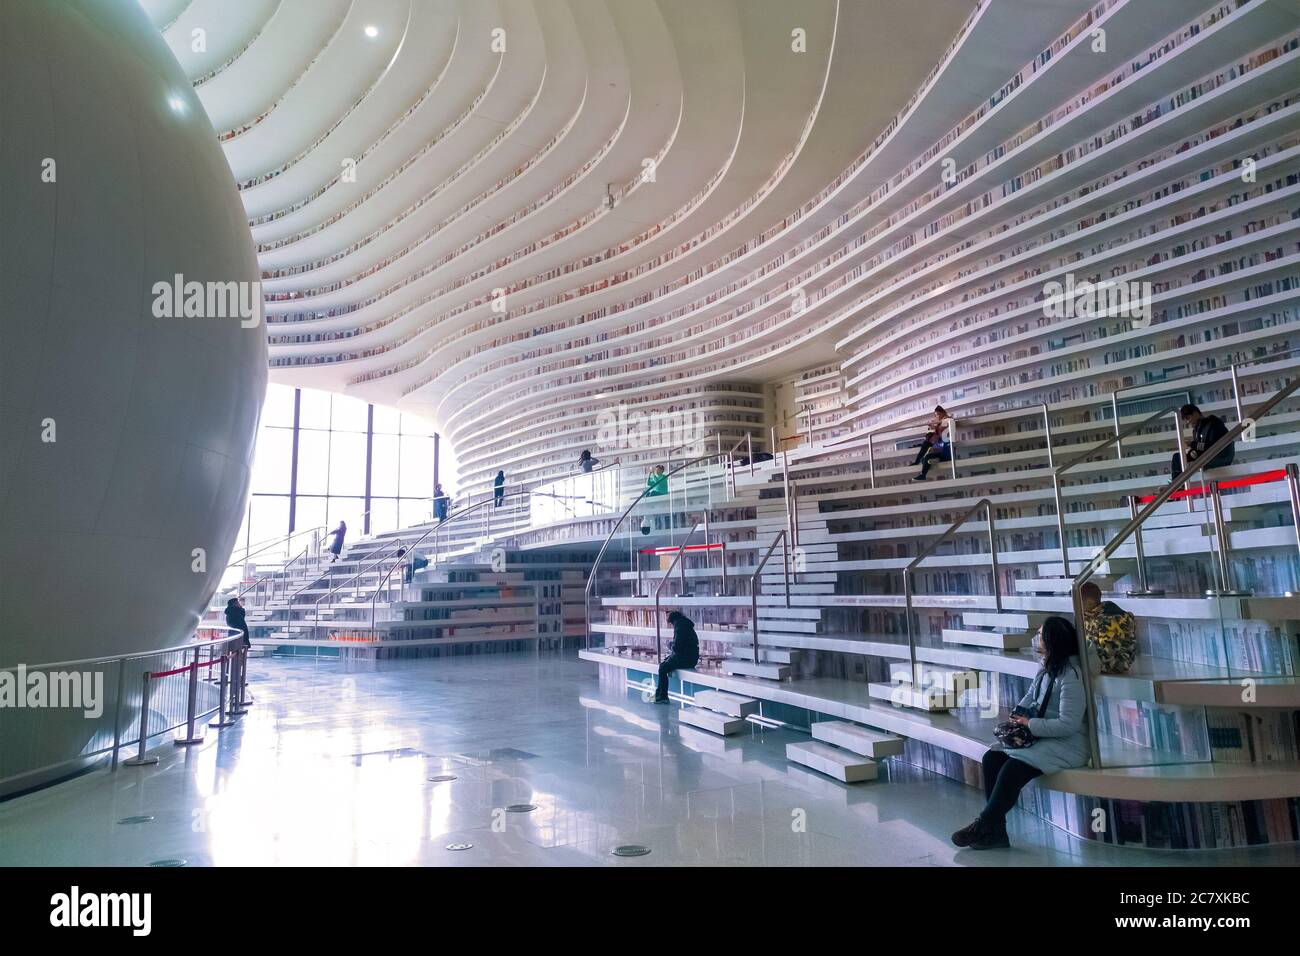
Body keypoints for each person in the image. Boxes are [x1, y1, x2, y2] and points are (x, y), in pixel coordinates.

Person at [951, 616, 1088, 850]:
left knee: (1013, 769)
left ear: (1053, 641)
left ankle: (984, 824)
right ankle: (996, 833)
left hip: (1067, 744)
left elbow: (1069, 724)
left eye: (1042, 635)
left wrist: (1030, 723)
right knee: (992, 758)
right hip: (1043, 737)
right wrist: (1018, 715)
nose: (1038, 639)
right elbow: (1030, 697)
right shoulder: (1046, 667)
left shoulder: (1071, 676)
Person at [1080, 582, 1138, 674]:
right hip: (1099, 667)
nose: (1073, 604)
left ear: (1088, 602)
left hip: (1114, 668)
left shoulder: (1110, 620)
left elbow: (1109, 657)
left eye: (1077, 601)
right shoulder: (1090, 615)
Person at [1171, 403, 1233, 483]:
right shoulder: (1196, 431)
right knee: (1177, 458)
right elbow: (1198, 449)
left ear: (1195, 413)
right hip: (1206, 456)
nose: (1187, 422)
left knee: (1183, 460)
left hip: (1220, 455)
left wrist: (1191, 444)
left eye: (1188, 418)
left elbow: (1213, 446)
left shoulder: (1212, 422)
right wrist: (1188, 454)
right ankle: (1176, 483)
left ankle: (1177, 484)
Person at [654, 610, 699, 703]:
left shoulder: (680, 627)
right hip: (690, 657)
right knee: (664, 665)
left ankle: (662, 696)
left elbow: (677, 647)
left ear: (673, 621)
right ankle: (659, 694)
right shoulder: (685, 624)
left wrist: (669, 644)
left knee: (662, 668)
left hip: (686, 659)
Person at [911, 405, 951, 481]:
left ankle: (923, 469)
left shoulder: (947, 420)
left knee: (926, 454)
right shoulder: (940, 421)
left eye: (939, 414)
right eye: (936, 415)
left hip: (944, 446)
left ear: (943, 413)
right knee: (925, 446)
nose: (937, 416)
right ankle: (919, 463)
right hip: (939, 443)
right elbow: (937, 434)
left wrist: (935, 427)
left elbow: (942, 433)